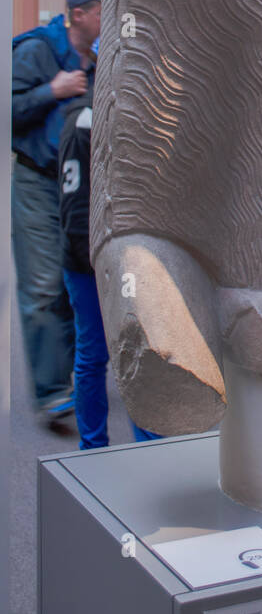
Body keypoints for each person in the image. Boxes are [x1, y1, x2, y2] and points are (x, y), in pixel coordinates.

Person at [11, 0, 101, 422]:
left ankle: (74, 375)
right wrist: (53, 90)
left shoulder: (101, 61)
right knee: (44, 285)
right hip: (37, 182)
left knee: (75, 284)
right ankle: (52, 391)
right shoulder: (37, 50)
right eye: (104, 10)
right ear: (79, 14)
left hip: (79, 189)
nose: (111, 19)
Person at [58, 87, 160, 448]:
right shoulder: (84, 121)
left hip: (127, 256)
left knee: (139, 352)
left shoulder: (135, 115)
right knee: (94, 354)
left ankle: (149, 445)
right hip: (89, 263)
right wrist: (100, 262)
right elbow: (75, 207)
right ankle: (93, 447)